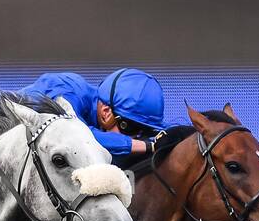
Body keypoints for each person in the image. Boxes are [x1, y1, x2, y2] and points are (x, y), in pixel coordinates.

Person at [21, 68, 164, 165]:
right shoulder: (67, 95)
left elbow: (167, 132)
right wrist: (149, 145)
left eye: (143, 131)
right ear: (107, 112)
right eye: (131, 128)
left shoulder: (109, 107)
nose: (135, 137)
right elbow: (81, 137)